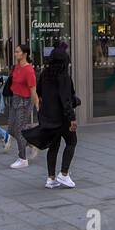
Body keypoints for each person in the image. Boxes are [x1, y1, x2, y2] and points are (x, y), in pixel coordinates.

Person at [32, 47, 79, 188]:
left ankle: (50, 178)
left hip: (48, 117)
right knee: (71, 142)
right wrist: (72, 118)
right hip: (62, 117)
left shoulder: (45, 74)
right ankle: (64, 174)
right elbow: (66, 100)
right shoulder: (63, 76)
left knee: (53, 146)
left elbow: (39, 92)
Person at [4, 43, 39, 169]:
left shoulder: (29, 70)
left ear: (25, 54)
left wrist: (37, 106)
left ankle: (22, 158)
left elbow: (33, 90)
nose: (15, 54)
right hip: (15, 99)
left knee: (20, 130)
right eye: (15, 51)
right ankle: (31, 142)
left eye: (18, 52)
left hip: (24, 102)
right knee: (11, 128)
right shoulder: (16, 67)